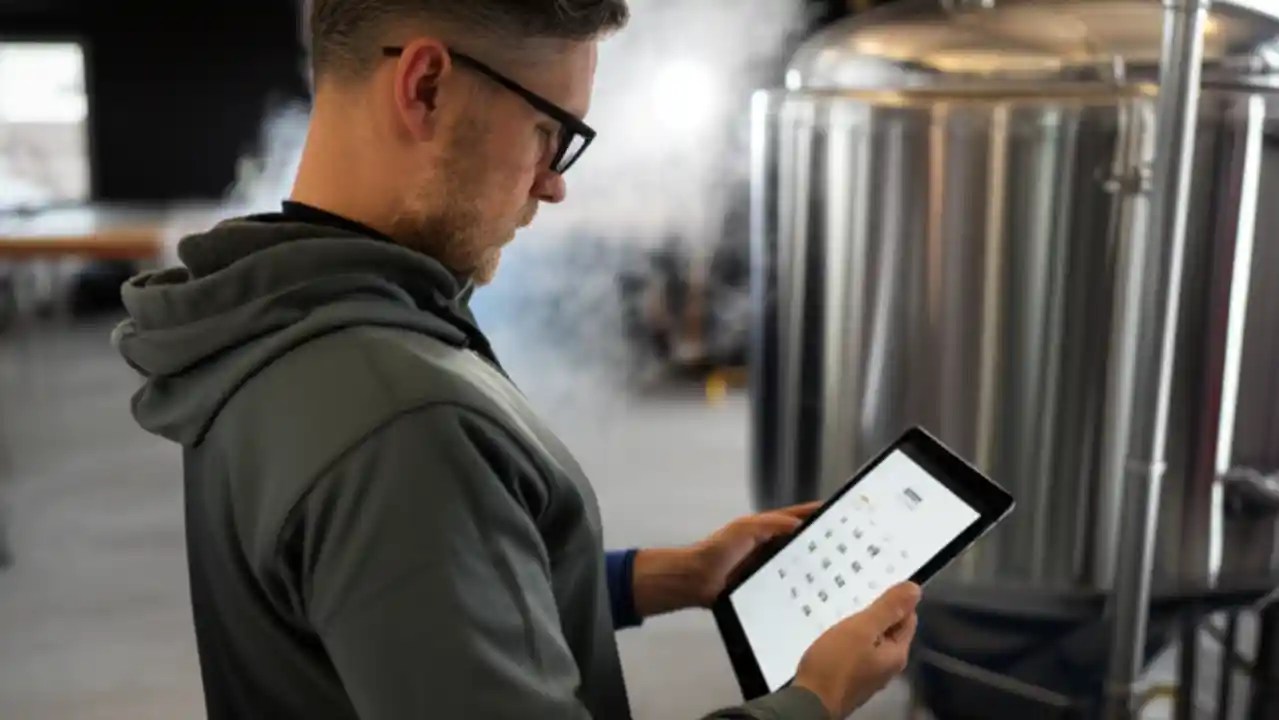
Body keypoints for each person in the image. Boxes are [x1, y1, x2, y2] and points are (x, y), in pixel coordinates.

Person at [112, 1, 921, 718]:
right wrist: (814, 699)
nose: (553, 185)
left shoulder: (273, 320)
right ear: (426, 86)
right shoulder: (405, 421)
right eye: (550, 132)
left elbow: (397, 613)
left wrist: (669, 576)